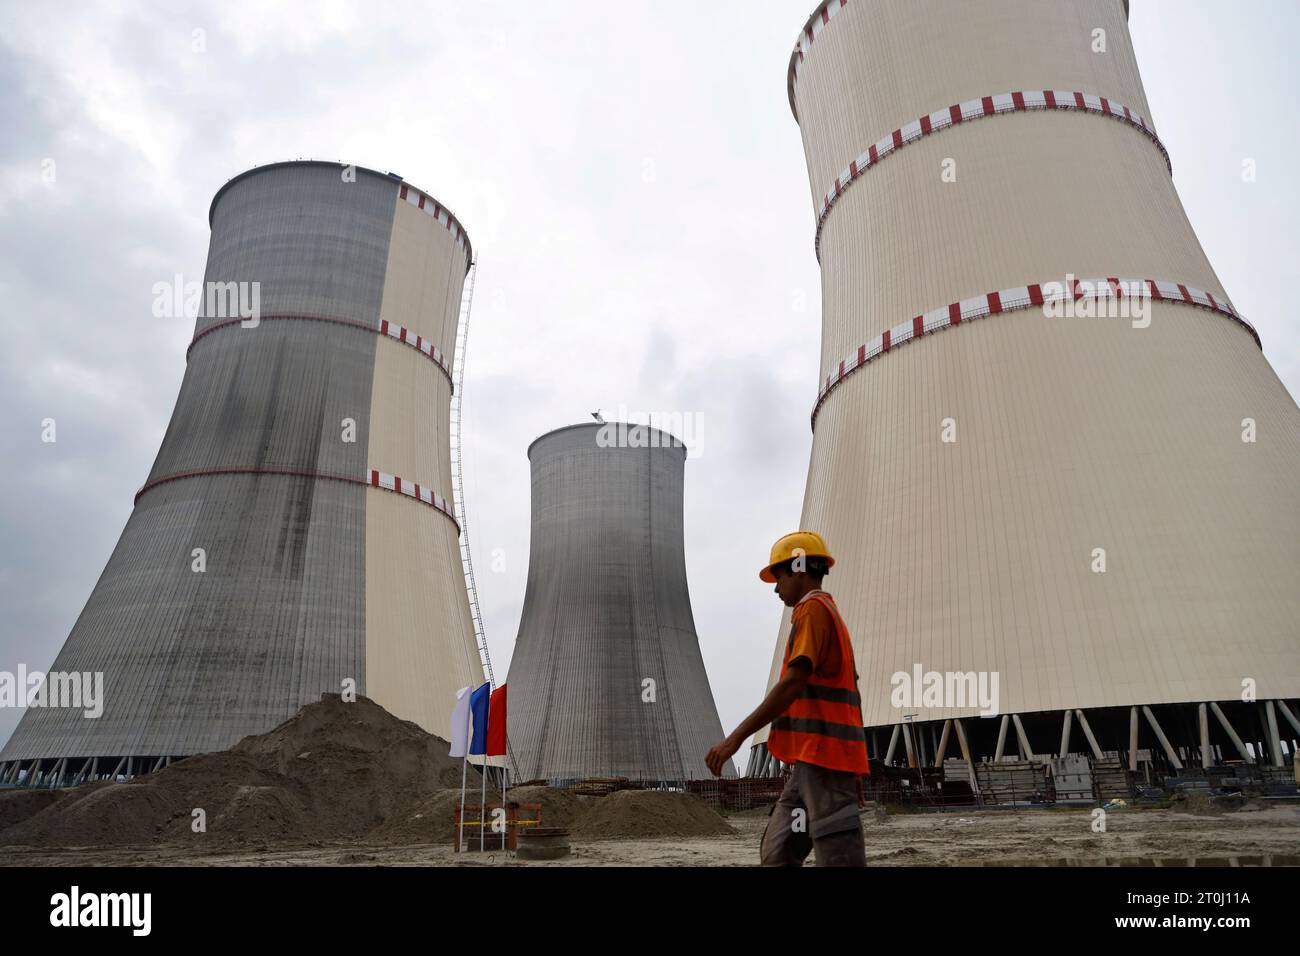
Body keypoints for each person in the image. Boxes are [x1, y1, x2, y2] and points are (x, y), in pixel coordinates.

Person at [705, 531, 869, 866]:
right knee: (779, 849)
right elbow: (852, 693)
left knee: (837, 852)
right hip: (811, 764)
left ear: (798, 568)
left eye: (778, 579)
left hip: (826, 761)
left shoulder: (813, 611)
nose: (776, 589)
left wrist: (734, 739)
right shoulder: (824, 615)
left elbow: (793, 683)